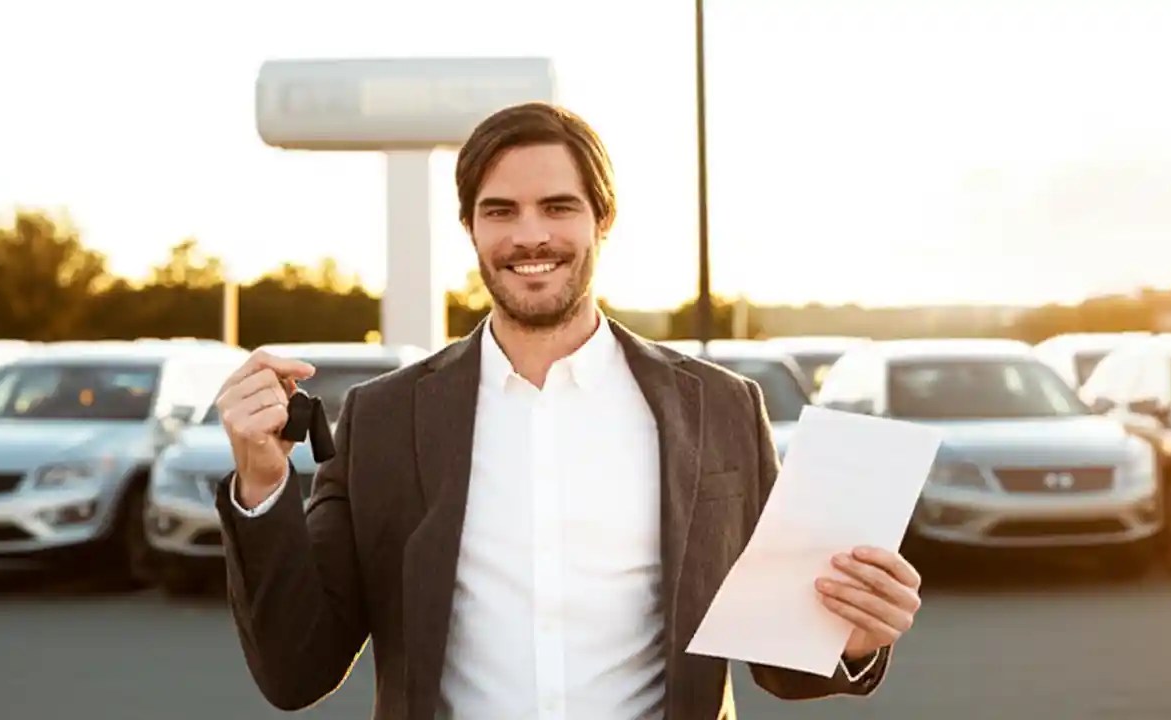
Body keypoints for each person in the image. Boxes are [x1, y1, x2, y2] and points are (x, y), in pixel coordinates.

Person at [212, 102, 923, 720]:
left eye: (558, 207)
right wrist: (260, 484)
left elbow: (782, 668)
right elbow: (297, 671)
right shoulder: (382, 420)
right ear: (470, 226)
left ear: (601, 219)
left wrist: (854, 636)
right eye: (501, 211)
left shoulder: (720, 409)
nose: (530, 236)